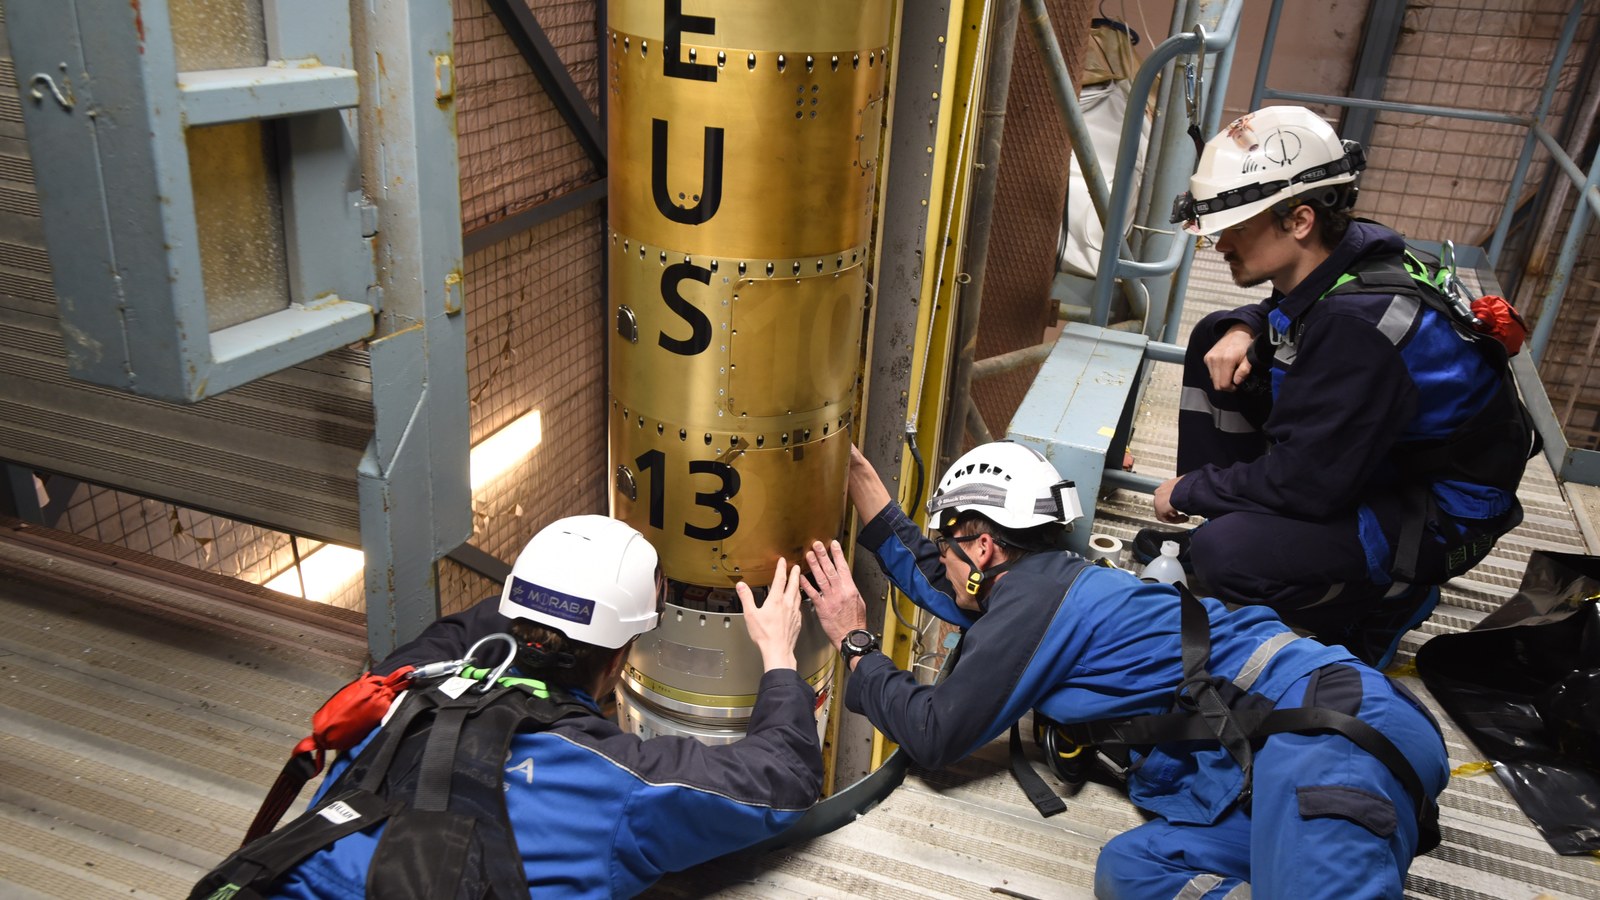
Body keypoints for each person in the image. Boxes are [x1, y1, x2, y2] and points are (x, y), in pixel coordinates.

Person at [804, 441, 1448, 898]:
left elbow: (935, 732)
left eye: (947, 544)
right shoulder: (1042, 585)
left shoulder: (1034, 600)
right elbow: (949, 587)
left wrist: (856, 643)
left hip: (1329, 733)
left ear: (984, 546)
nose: (941, 559)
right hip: (1289, 746)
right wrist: (868, 494)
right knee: (1132, 870)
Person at [195, 515, 822, 899]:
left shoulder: (396, 696)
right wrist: (778, 654)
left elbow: (449, 635)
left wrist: (546, 596)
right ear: (618, 658)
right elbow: (785, 777)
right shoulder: (617, 782)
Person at [1144, 105, 1534, 668]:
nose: (1221, 245)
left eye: (1237, 228)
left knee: (1224, 555)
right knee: (1217, 335)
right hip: (1383, 459)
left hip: (1438, 513)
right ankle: (1242, 523)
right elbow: (1291, 310)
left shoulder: (1356, 328)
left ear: (1299, 220)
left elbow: (1306, 483)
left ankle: (1382, 603)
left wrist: (1191, 490)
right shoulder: (1353, 249)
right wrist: (1245, 325)